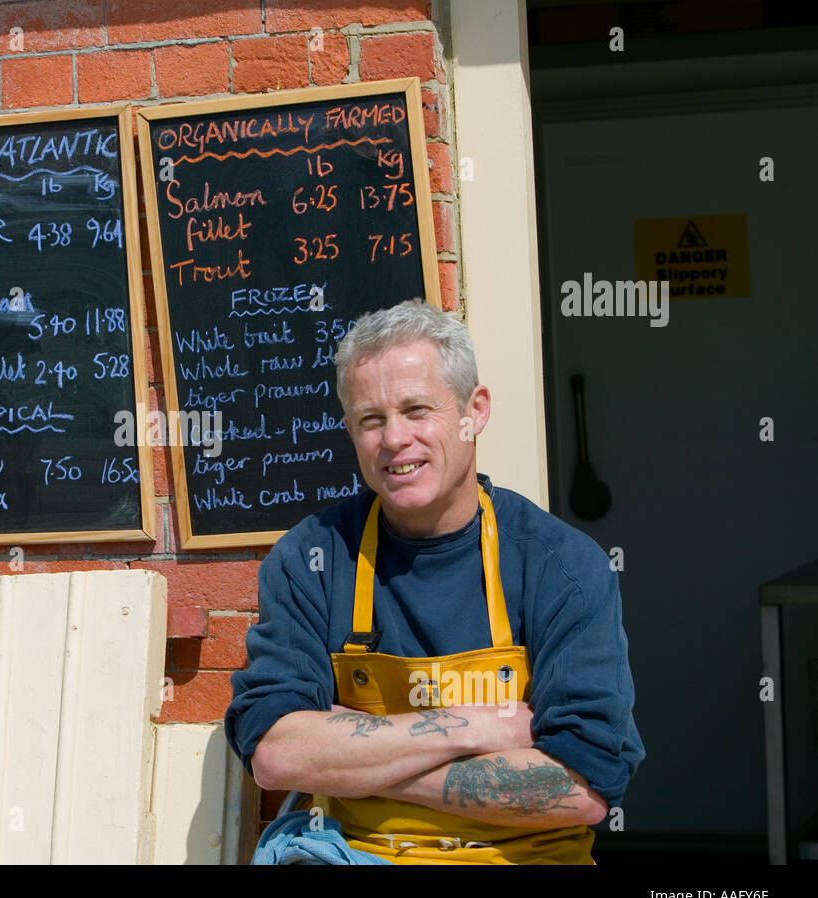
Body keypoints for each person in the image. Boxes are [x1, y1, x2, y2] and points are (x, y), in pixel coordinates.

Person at [225, 299, 644, 864]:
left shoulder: (562, 566)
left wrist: (355, 755)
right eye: (371, 419)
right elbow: (275, 752)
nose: (395, 439)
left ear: (476, 410)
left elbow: (583, 786)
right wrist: (476, 725)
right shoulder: (311, 559)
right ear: (350, 430)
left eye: (417, 409)